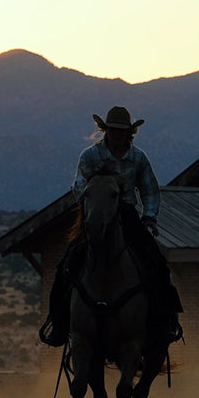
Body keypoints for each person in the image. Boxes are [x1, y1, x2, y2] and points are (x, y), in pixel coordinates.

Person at [39, 106, 183, 347]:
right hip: (95, 214)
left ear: (129, 133)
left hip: (126, 215)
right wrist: (91, 206)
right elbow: (79, 185)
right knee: (67, 265)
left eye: (121, 131)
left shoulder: (138, 158)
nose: (117, 135)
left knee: (157, 263)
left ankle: (164, 323)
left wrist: (148, 217)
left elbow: (149, 190)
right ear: (105, 130)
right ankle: (59, 324)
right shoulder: (90, 156)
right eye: (113, 130)